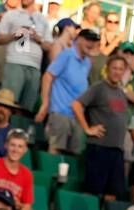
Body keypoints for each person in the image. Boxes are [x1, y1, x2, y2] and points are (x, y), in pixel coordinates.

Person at [74, 53, 134, 204]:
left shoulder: (121, 92)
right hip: (99, 147)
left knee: (112, 193)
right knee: (92, 190)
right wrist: (88, 128)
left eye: (120, 69)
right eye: (114, 68)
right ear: (107, 69)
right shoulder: (99, 87)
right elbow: (76, 105)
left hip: (116, 149)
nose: (117, 72)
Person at [36, 26, 96, 156]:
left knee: (74, 154)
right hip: (60, 111)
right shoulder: (67, 54)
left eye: (93, 41)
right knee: (55, 149)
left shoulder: (87, 62)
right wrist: (45, 103)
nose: (91, 44)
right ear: (79, 39)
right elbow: (48, 76)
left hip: (77, 115)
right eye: (88, 40)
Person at [0, 0, 50, 113]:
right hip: (14, 62)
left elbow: (49, 46)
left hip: (35, 67)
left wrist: (38, 38)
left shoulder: (42, 18)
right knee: (7, 102)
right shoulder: (11, 14)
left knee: (27, 107)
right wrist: (15, 35)